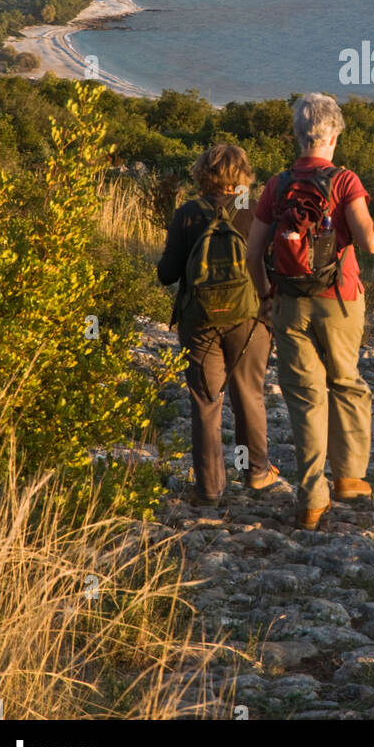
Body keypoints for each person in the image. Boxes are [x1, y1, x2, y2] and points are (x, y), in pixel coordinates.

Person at [246, 93, 374, 531]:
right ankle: (349, 478)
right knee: (346, 384)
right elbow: (370, 241)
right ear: (333, 135)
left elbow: (253, 252)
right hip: (339, 301)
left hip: (288, 303)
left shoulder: (276, 185)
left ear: (298, 136)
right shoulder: (345, 181)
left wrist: (266, 298)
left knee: (304, 398)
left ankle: (311, 498)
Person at [157, 142, 278, 508]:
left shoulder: (188, 213)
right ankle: (255, 471)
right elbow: (271, 264)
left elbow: (166, 275)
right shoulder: (254, 210)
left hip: (200, 321)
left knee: (207, 403)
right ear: (243, 175)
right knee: (249, 396)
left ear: (203, 173)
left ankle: (209, 491)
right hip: (250, 319)